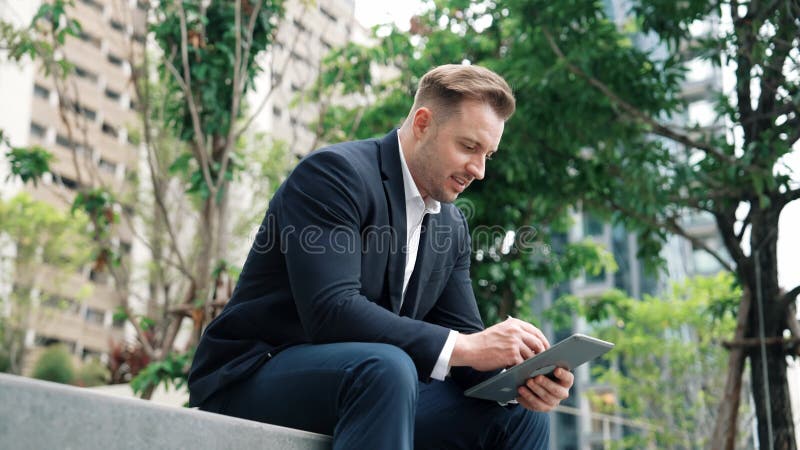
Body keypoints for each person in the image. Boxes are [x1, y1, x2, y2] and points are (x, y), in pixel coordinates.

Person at [188, 64, 574, 449]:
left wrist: (522, 379)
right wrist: (468, 347)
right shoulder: (334, 176)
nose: (479, 170)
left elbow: (467, 344)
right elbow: (332, 312)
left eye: (488, 154)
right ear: (423, 123)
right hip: (253, 376)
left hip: (374, 388)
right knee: (387, 367)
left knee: (515, 414)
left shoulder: (451, 225)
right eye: (469, 147)